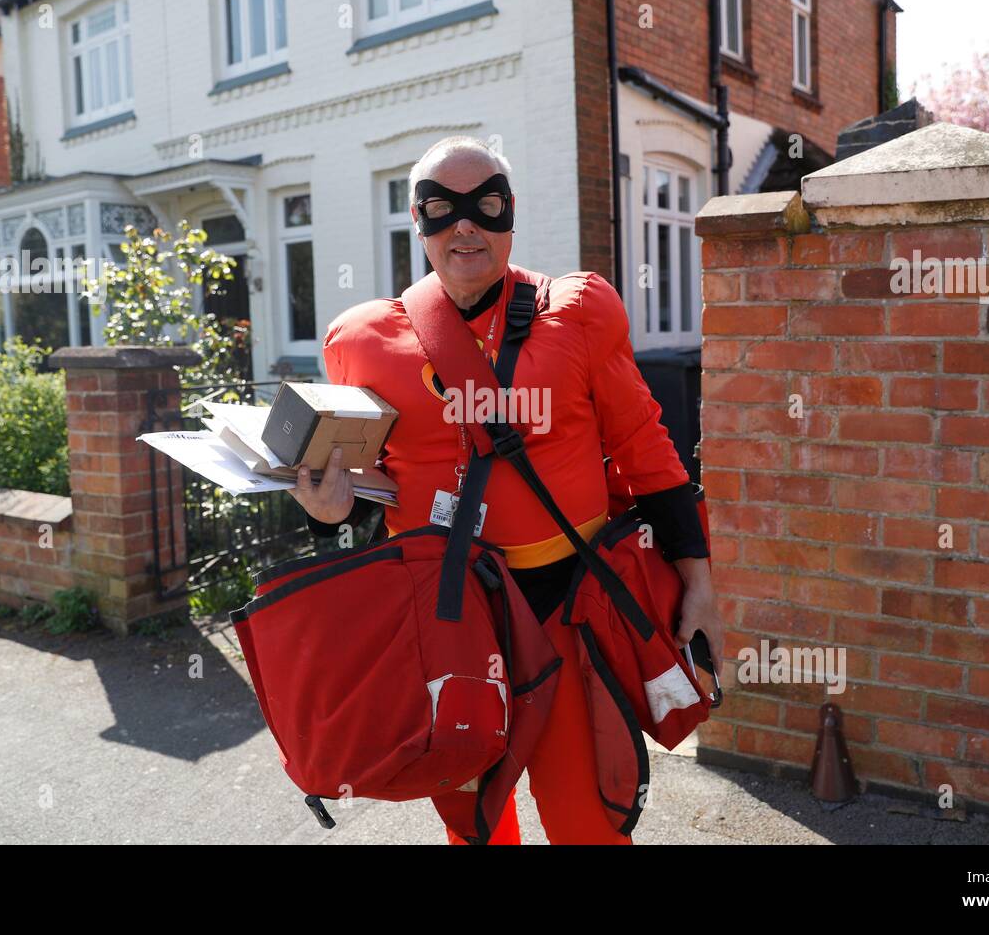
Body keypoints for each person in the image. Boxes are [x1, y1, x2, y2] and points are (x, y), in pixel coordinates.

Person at [290, 136, 723, 845]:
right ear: (417, 221)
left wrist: (697, 583)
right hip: (446, 624)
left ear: (510, 214)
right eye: (442, 209)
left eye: (485, 205)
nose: (466, 226)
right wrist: (330, 517)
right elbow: (354, 491)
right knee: (476, 826)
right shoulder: (360, 341)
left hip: (568, 614)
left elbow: (647, 452)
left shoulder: (578, 311)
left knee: (589, 820)